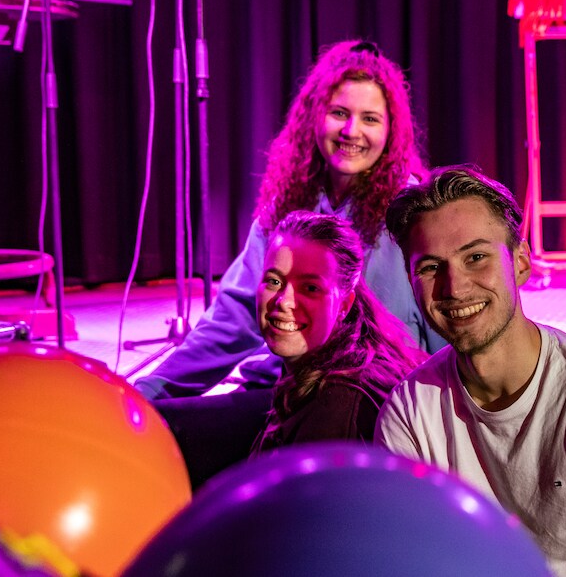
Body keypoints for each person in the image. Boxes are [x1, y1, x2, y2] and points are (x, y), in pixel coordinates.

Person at [377, 165, 566, 577]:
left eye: (476, 258)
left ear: (521, 262)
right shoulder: (409, 410)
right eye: (431, 267)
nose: (454, 287)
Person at [134, 39, 445, 401]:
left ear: (391, 131)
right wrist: (151, 390)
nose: (351, 131)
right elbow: (233, 318)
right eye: (339, 113)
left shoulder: (410, 214)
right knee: (168, 420)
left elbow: (445, 330)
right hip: (283, 389)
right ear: (314, 116)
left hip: (369, 397)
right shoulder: (288, 202)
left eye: (370, 119)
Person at [155, 211, 424, 488]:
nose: (284, 301)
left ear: (344, 305)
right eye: (274, 281)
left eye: (310, 288)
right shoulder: (316, 362)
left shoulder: (338, 405)